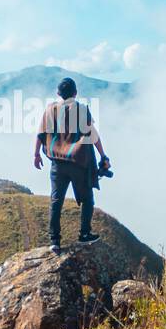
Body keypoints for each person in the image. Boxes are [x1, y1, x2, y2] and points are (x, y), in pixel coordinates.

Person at [34, 78, 110, 253]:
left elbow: (40, 133)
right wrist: (103, 155)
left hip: (57, 163)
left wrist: (36, 154)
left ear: (58, 94)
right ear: (76, 93)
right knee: (87, 199)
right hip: (78, 162)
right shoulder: (82, 110)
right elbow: (92, 135)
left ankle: (54, 241)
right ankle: (84, 234)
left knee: (56, 200)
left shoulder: (50, 110)